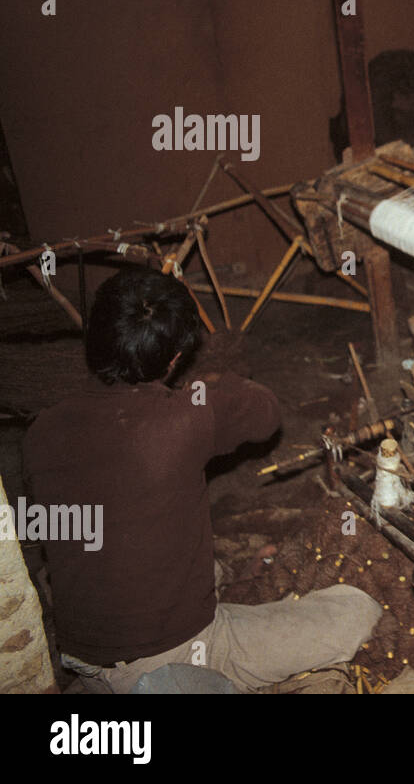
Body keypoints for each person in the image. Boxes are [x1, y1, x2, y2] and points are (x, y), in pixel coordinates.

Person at [22, 265, 382, 692]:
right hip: (171, 656)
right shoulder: (183, 418)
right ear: (175, 358)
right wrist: (210, 380)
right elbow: (264, 411)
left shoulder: (41, 430)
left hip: (82, 653)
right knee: (356, 611)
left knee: (188, 565)